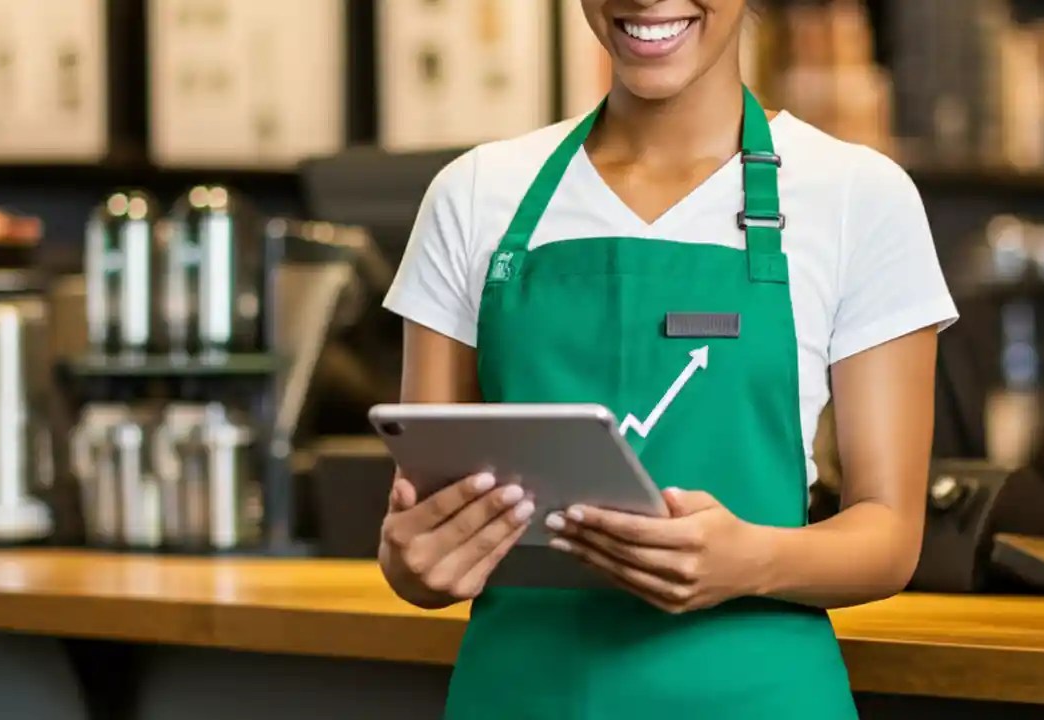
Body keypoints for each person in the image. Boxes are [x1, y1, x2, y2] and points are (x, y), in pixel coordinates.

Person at [378, 1, 957, 717]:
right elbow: (425, 515)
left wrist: (749, 561)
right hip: (520, 695)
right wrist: (414, 565)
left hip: (757, 698)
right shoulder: (472, 196)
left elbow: (890, 534)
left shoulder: (860, 199)